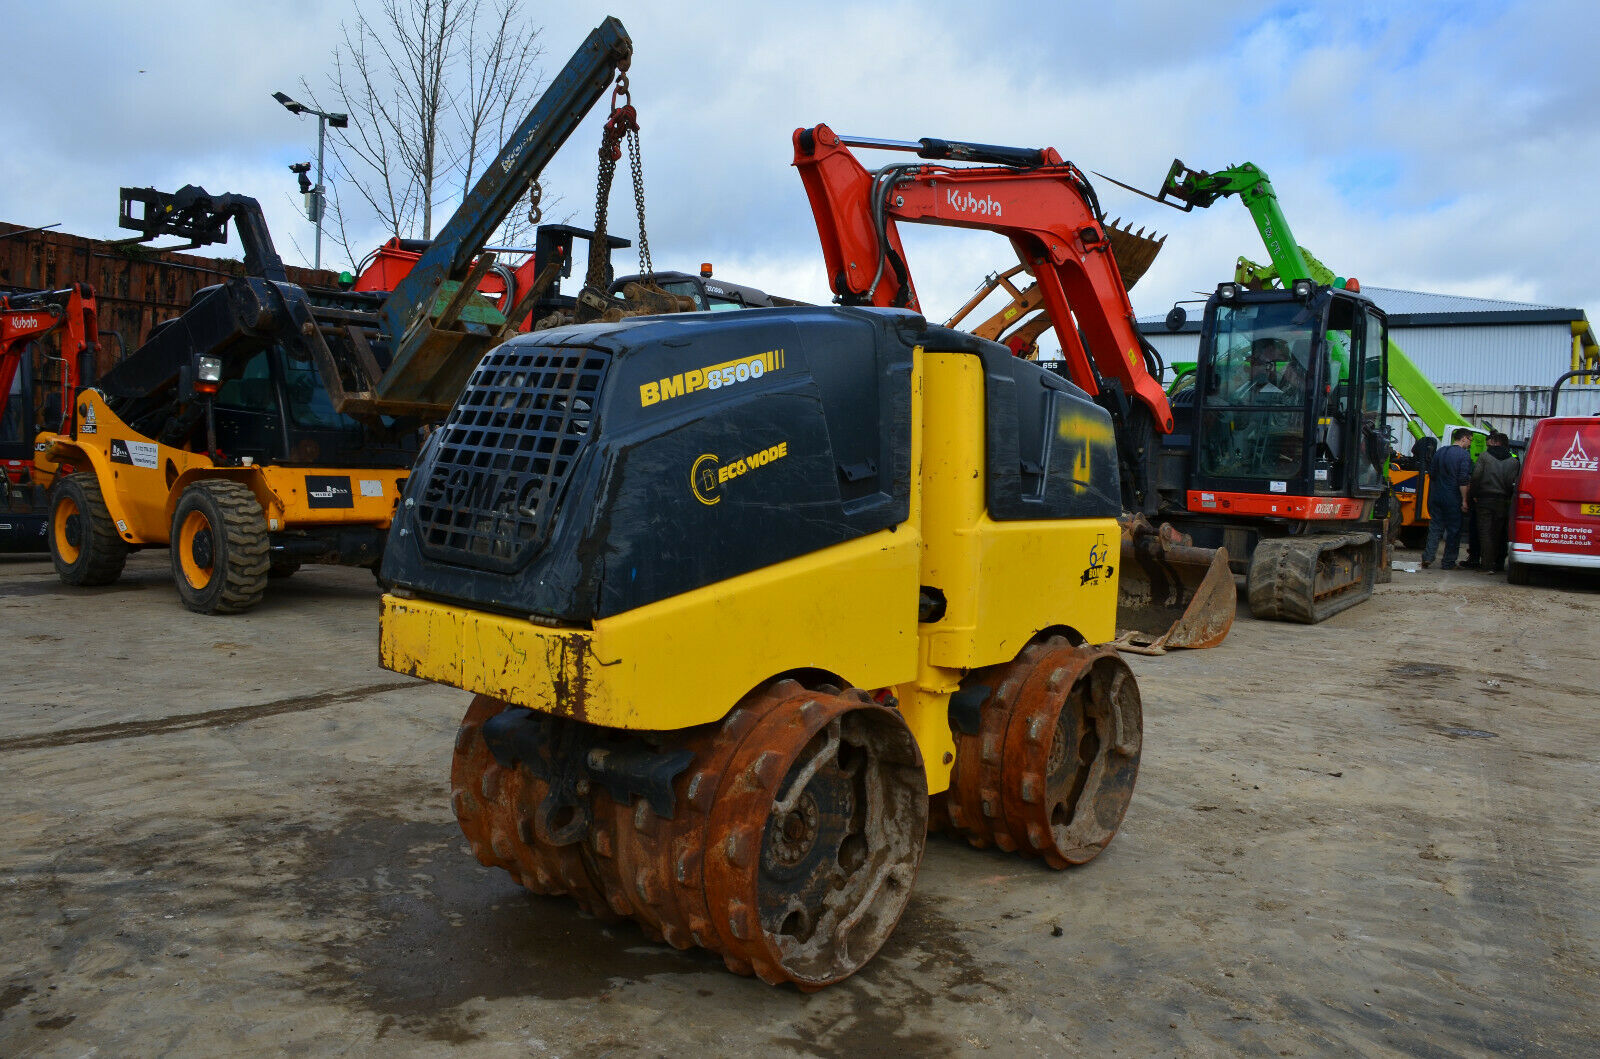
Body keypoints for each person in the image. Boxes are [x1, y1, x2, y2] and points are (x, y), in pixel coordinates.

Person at [1421, 427, 1473, 569]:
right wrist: (1464, 500)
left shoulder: (1440, 452)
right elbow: (1463, 480)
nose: (1470, 444)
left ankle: (1428, 557)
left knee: (1435, 527)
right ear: (1464, 438)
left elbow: (1431, 473)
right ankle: (1448, 562)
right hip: (1453, 498)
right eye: (1470, 440)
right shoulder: (1464, 456)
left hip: (1436, 496)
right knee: (1454, 530)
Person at [1469, 431, 1520, 573]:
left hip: (1485, 499)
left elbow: (1476, 476)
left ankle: (1486, 565)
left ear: (1496, 442)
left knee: (1485, 532)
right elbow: (1513, 483)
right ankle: (1497, 564)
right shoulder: (1514, 461)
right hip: (1503, 501)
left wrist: (1473, 495)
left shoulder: (1485, 457)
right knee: (1497, 533)